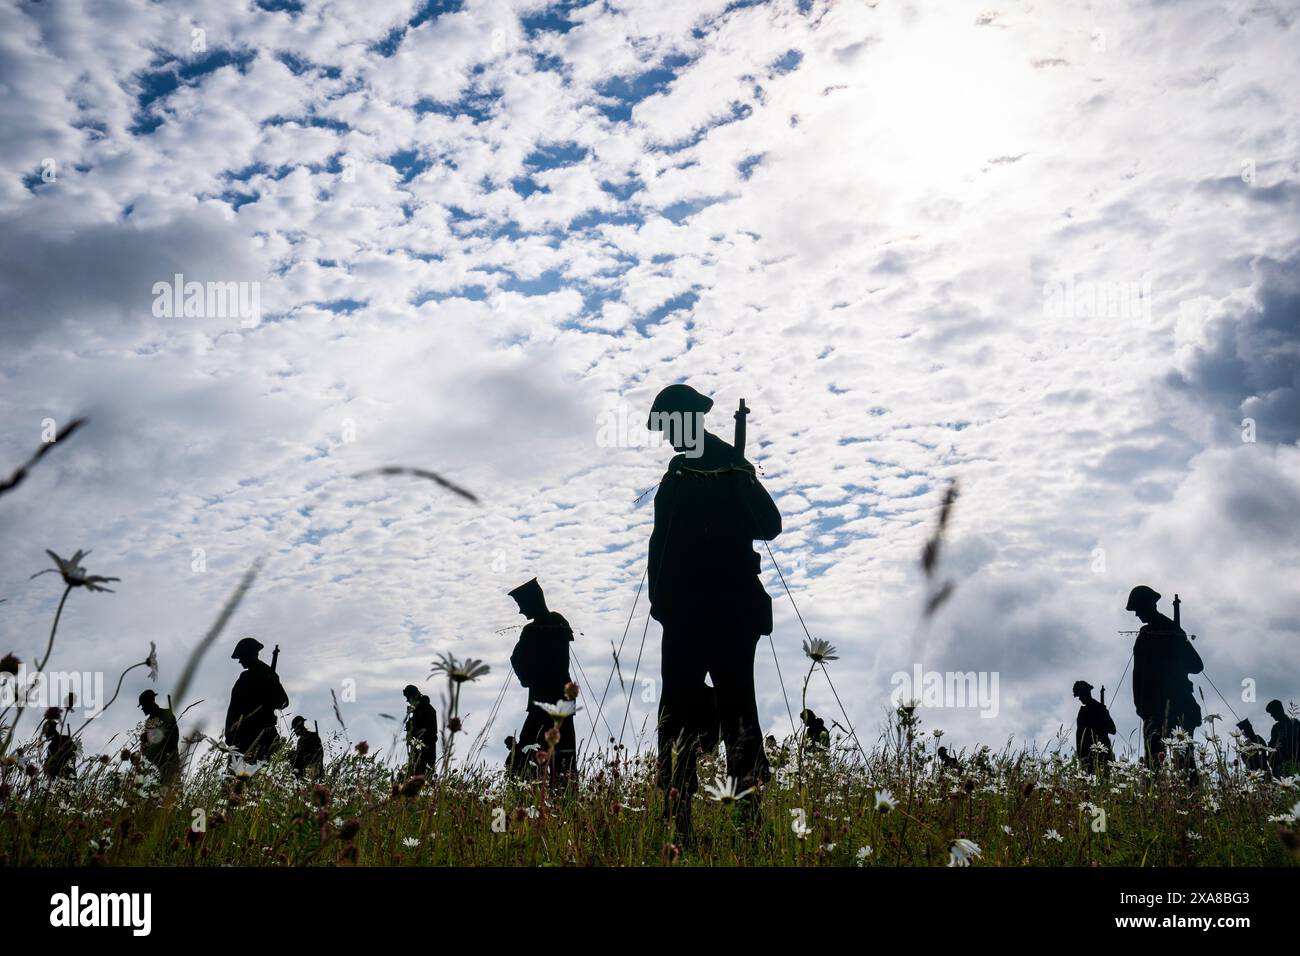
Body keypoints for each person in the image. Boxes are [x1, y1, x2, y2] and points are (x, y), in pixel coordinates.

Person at [646, 383, 782, 843]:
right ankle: (676, 821)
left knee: (737, 711)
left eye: (669, 427)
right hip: (687, 615)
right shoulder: (678, 474)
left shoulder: (729, 467)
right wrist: (660, 605)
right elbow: (659, 544)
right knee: (678, 716)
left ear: (689, 421)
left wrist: (744, 478)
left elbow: (770, 526)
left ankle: (747, 821)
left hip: (725, 611)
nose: (667, 437)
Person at [1128, 586, 1202, 783]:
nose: (1136, 614)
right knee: (1153, 764)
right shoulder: (1147, 634)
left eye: (1138, 609)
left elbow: (1196, 665)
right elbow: (1138, 674)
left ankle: (1192, 803)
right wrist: (1140, 706)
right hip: (1153, 709)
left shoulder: (1173, 631)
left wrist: (1175, 658)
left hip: (1178, 706)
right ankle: (1156, 805)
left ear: (1148, 606)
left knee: (1184, 762)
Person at [508, 578, 576, 788]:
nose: (521, 612)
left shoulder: (532, 631)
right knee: (563, 755)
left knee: (528, 752)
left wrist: (528, 678)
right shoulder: (559, 622)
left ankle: (526, 791)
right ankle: (563, 793)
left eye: (522, 605)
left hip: (542, 703)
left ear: (533, 601)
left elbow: (516, 659)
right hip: (562, 703)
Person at [224, 637, 289, 762]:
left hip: (261, 738)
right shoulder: (244, 678)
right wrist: (229, 733)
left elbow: (283, 701)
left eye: (241, 657)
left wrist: (271, 693)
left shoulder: (268, 675)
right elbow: (233, 708)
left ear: (250, 654)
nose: (240, 661)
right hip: (241, 739)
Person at [1072, 680, 1115, 774]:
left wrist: (1103, 717)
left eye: (1080, 695)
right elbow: (1079, 736)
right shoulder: (1083, 711)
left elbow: (1112, 729)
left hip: (1103, 754)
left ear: (1086, 693)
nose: (1079, 699)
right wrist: (1081, 756)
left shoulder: (1100, 709)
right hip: (1088, 756)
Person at [138, 689, 180, 785]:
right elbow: (149, 746)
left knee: (175, 786)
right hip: (160, 762)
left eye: (143, 706)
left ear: (149, 702)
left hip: (171, 758)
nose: (142, 709)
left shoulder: (166, 714)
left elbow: (175, 736)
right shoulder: (149, 723)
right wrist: (145, 747)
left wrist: (168, 751)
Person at [402, 685, 438, 776]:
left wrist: (412, 728)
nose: (408, 701)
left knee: (421, 775)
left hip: (424, 751)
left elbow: (427, 732)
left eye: (408, 698)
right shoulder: (421, 709)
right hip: (419, 750)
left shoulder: (425, 709)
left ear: (412, 696)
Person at [1266, 699, 1300, 778]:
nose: (1271, 715)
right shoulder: (1275, 728)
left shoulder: (1294, 723)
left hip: (1295, 764)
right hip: (1280, 766)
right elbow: (1272, 747)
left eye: (1272, 713)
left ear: (1278, 710)